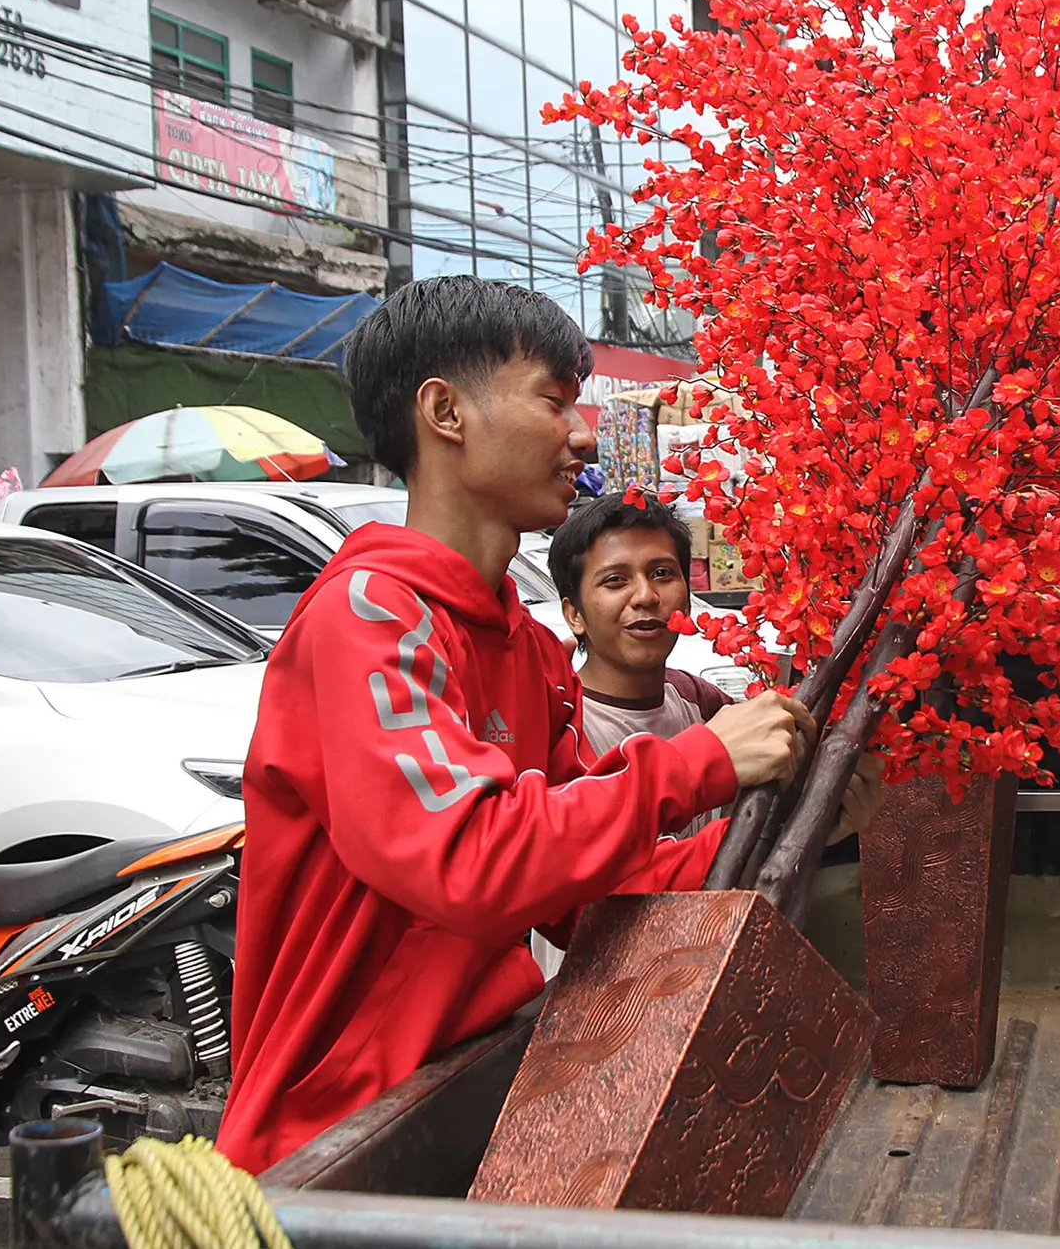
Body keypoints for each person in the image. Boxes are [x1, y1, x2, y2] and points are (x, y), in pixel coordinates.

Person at [216, 277, 815, 1175]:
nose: (582, 435)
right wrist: (700, 763)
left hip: (478, 1088)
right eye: (554, 400)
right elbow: (469, 858)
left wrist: (801, 821)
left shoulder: (527, 648)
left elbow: (590, 892)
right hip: (335, 1141)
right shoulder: (367, 620)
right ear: (445, 412)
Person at [547, 493, 882, 841]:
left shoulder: (702, 703)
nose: (645, 596)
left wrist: (826, 821)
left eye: (662, 573)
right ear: (574, 615)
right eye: (615, 580)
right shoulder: (558, 725)